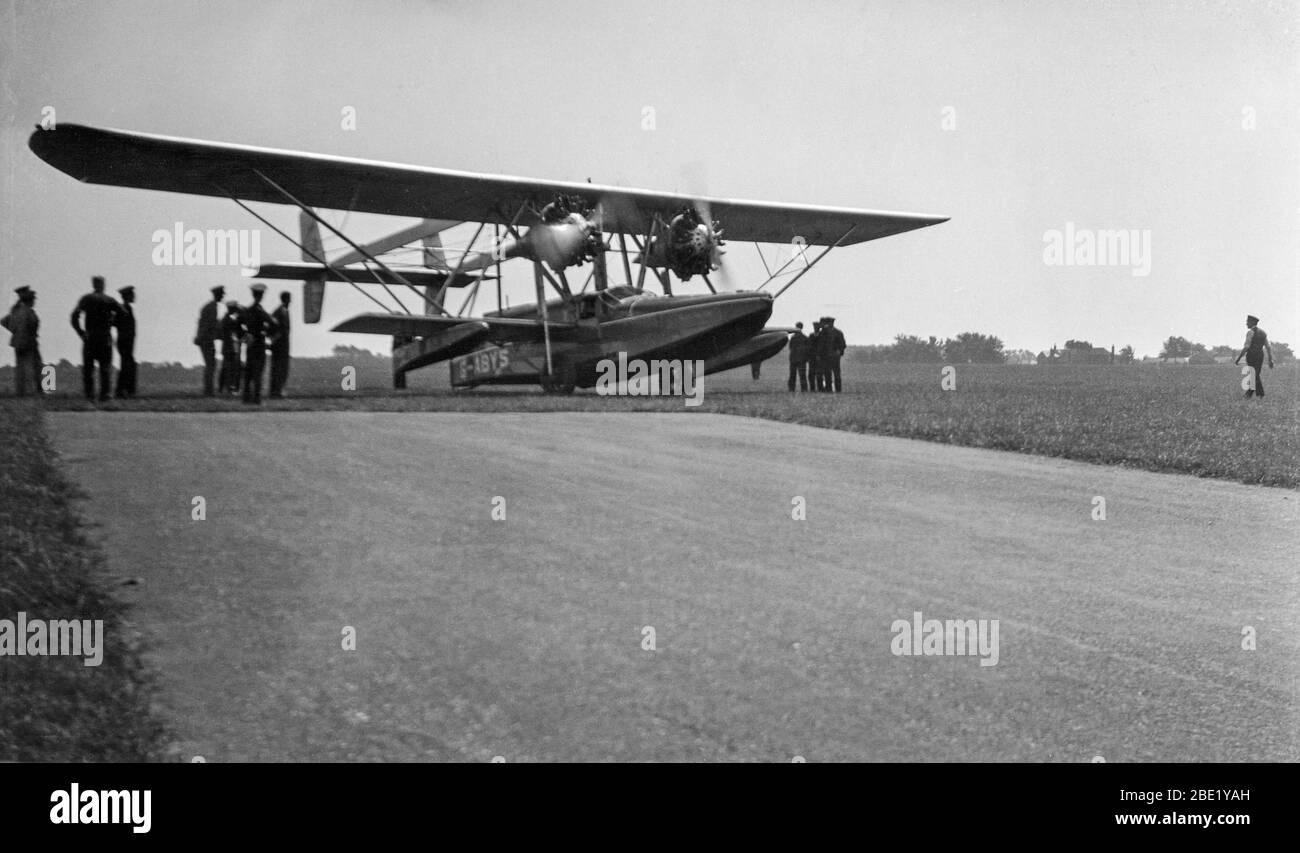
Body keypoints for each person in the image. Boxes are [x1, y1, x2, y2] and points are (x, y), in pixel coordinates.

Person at [70, 275, 120, 402]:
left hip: (90, 338)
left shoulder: (86, 299)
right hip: (105, 338)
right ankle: (105, 396)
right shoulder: (110, 300)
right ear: (103, 285)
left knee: (88, 370)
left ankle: (90, 396)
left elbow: (74, 316)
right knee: (105, 369)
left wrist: (81, 332)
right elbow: (123, 314)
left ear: (93, 285)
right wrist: (112, 322)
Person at [239, 282, 276, 405]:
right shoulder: (260, 310)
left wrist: (244, 337)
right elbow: (273, 322)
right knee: (258, 371)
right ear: (260, 296)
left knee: (249, 371)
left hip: (250, 343)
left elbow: (238, 325)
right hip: (259, 342)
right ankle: (256, 398)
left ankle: (246, 398)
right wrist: (266, 333)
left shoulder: (247, 310)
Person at [2, 286, 42, 397]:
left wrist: (15, 333)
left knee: (21, 369)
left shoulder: (17, 311)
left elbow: (4, 321)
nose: (34, 301)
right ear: (29, 300)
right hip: (29, 343)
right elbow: (29, 325)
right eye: (33, 299)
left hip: (19, 343)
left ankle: (21, 394)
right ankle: (41, 392)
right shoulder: (27, 312)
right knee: (37, 367)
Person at [1234, 314, 1274, 399]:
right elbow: (1268, 347)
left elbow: (1246, 347)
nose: (1246, 323)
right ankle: (1248, 395)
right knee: (1255, 375)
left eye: (1247, 322)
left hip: (1251, 356)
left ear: (1252, 322)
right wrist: (1270, 359)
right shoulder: (1263, 333)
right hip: (1260, 356)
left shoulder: (1250, 332)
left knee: (1254, 375)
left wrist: (1238, 358)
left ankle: (1260, 394)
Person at [195, 285, 224, 396]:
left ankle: (209, 389)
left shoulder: (210, 306)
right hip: (206, 340)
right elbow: (210, 325)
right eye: (221, 294)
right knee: (210, 365)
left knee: (210, 364)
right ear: (218, 295)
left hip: (206, 339)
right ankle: (208, 390)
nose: (223, 296)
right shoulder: (212, 307)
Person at [114, 285, 137, 398]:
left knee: (127, 365)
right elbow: (115, 322)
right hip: (125, 341)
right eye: (132, 294)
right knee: (127, 365)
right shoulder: (124, 308)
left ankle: (124, 390)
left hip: (125, 341)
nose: (134, 296)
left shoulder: (126, 308)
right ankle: (124, 391)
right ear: (127, 296)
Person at [269, 290, 292, 398]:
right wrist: (275, 340)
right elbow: (275, 329)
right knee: (279, 370)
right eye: (289, 299)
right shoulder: (280, 312)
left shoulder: (282, 311)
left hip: (282, 346)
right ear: (285, 299)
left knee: (281, 370)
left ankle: (277, 391)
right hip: (280, 346)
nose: (290, 301)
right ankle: (276, 392)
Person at [219, 300, 243, 395]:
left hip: (227, 348)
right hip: (230, 348)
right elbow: (233, 335)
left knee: (226, 369)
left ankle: (223, 388)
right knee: (230, 369)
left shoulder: (226, 319)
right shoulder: (229, 320)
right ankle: (229, 388)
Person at [820, 316, 847, 393]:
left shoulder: (838, 333)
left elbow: (843, 344)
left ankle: (838, 389)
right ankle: (829, 389)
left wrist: (839, 351)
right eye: (829, 323)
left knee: (837, 374)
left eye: (831, 322)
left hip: (835, 357)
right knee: (827, 374)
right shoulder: (824, 333)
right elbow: (821, 345)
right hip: (826, 357)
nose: (830, 324)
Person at [787, 321, 810, 392]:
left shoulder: (794, 338)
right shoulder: (804, 338)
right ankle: (803, 389)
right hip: (798, 359)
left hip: (797, 359)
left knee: (797, 375)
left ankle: (793, 389)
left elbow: (790, 347)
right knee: (797, 375)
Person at [808, 320, 824, 391]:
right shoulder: (811, 335)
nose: (815, 328)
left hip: (820, 357)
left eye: (816, 327)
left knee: (819, 374)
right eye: (814, 327)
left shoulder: (822, 336)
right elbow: (808, 346)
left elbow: (823, 347)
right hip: (812, 358)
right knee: (811, 374)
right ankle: (812, 388)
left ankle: (820, 388)